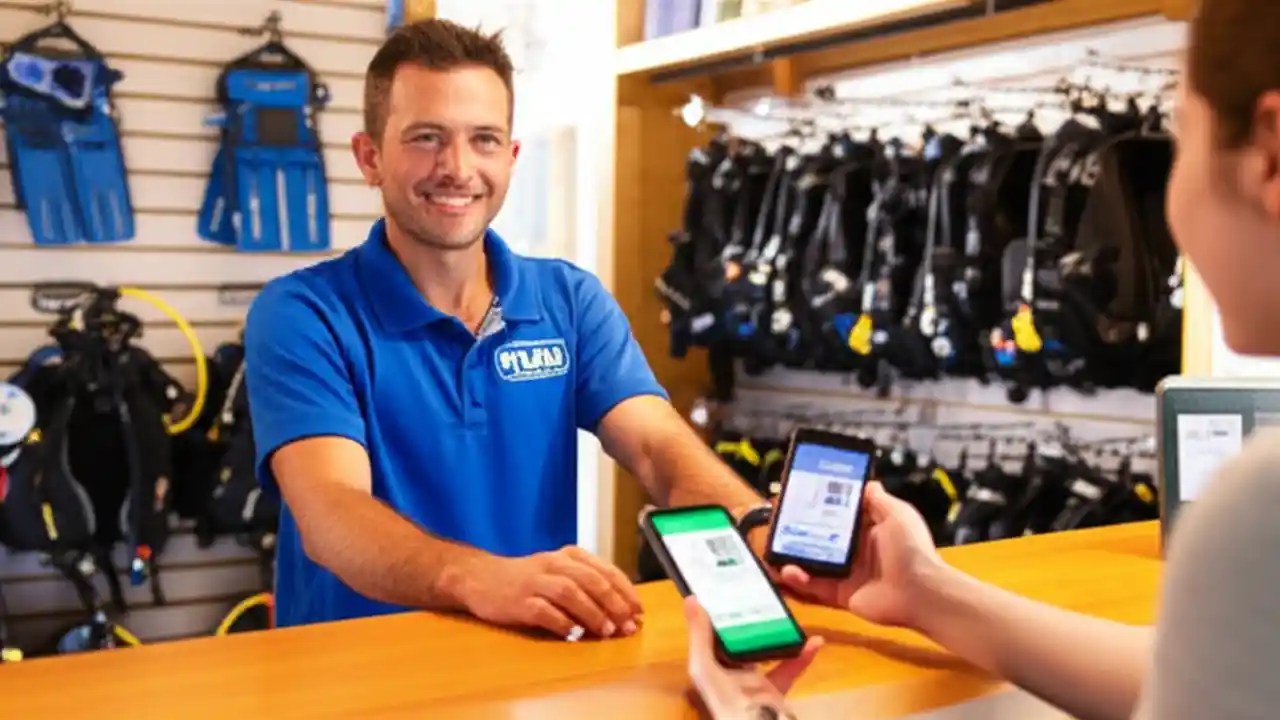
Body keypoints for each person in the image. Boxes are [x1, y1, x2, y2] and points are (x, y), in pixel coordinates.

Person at [682, 0, 1280, 718]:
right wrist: (929, 592)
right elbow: (1205, 683)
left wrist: (756, 716)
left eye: (1182, 137)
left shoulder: (1259, 502)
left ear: (1271, 156)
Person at [243, 19, 771, 636]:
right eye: (426, 138)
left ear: (512, 157)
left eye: (484, 139)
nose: (458, 167)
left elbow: (659, 450)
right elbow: (331, 511)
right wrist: (477, 578)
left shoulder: (569, 301)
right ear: (370, 158)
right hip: (357, 684)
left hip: (527, 675)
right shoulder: (303, 313)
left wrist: (757, 529)